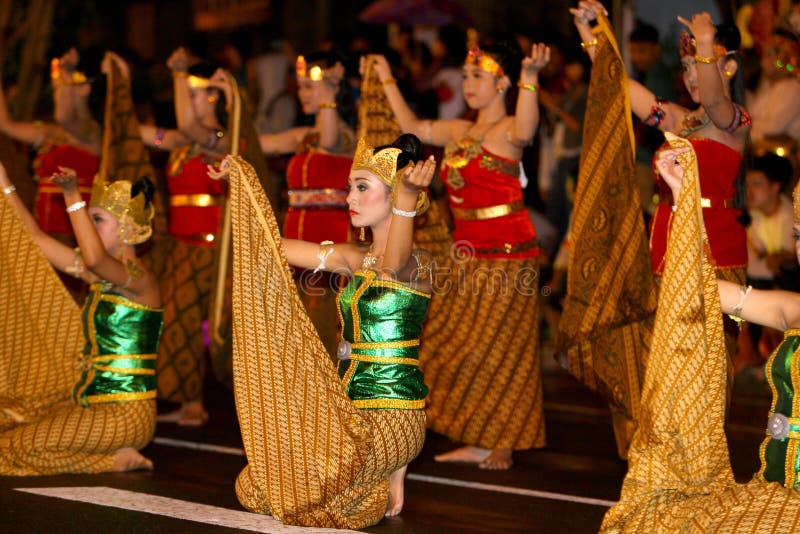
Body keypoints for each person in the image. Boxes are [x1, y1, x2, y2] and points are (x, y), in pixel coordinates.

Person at [214, 134, 436, 528]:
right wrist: (242, 184)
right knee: (257, 487)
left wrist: (407, 195)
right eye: (350, 187)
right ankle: (374, 481)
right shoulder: (353, 257)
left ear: (395, 194)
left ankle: (386, 467)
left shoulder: (419, 263)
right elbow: (272, 245)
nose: (349, 197)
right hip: (346, 412)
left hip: (393, 415)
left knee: (310, 490)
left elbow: (394, 262)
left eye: (362, 187)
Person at [601, 138, 800, 533]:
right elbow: (702, 286)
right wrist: (684, 200)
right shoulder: (793, 308)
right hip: (777, 491)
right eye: (797, 234)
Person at [368, 38, 550, 470]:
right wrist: (386, 77)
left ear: (502, 83)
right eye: (465, 75)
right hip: (465, 254)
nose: (468, 83)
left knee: (503, 349)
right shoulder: (458, 131)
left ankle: (502, 442)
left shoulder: (510, 129)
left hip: (508, 255)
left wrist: (530, 79)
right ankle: (477, 436)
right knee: (456, 343)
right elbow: (411, 124)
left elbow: (527, 131)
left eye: (477, 76)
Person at [573, 3, 751, 388]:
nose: (691, 75)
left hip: (714, 252)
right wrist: (591, 31)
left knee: (702, 370)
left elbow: (716, 101)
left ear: (729, 68)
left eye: (699, 64)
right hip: (667, 247)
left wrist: (705, 41)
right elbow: (618, 83)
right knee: (662, 366)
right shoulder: (679, 120)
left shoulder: (733, 121)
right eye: (686, 67)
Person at [0, 160, 162, 474]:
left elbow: (95, 259)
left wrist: (72, 195)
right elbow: (35, 238)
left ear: (128, 228)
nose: (88, 226)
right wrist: (4, 182)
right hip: (90, 406)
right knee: (7, 439)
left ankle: (111, 461)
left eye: (97, 219)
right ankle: (113, 458)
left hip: (126, 417)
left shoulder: (141, 281)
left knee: (15, 449)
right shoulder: (98, 277)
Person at [139, 48, 232, 426]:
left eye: (193, 93)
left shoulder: (221, 138)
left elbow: (193, 129)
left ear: (212, 96)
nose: (187, 100)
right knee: (178, 323)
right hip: (181, 247)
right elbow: (144, 133)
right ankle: (190, 399)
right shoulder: (178, 140)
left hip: (216, 251)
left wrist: (179, 74)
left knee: (226, 329)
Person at [258, 51, 356, 356]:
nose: (302, 94)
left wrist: (328, 92)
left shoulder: (346, 136)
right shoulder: (303, 136)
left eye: (309, 87)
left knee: (323, 333)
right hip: (297, 250)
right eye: (300, 86)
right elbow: (256, 143)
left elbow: (328, 141)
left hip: (328, 245)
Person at [0, 48, 101, 243]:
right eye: (56, 89)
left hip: (77, 235)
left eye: (64, 88)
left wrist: (67, 72)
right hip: (45, 231)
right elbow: (5, 125)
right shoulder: (52, 133)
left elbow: (64, 117)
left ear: (85, 90)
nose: (59, 95)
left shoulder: (93, 133)